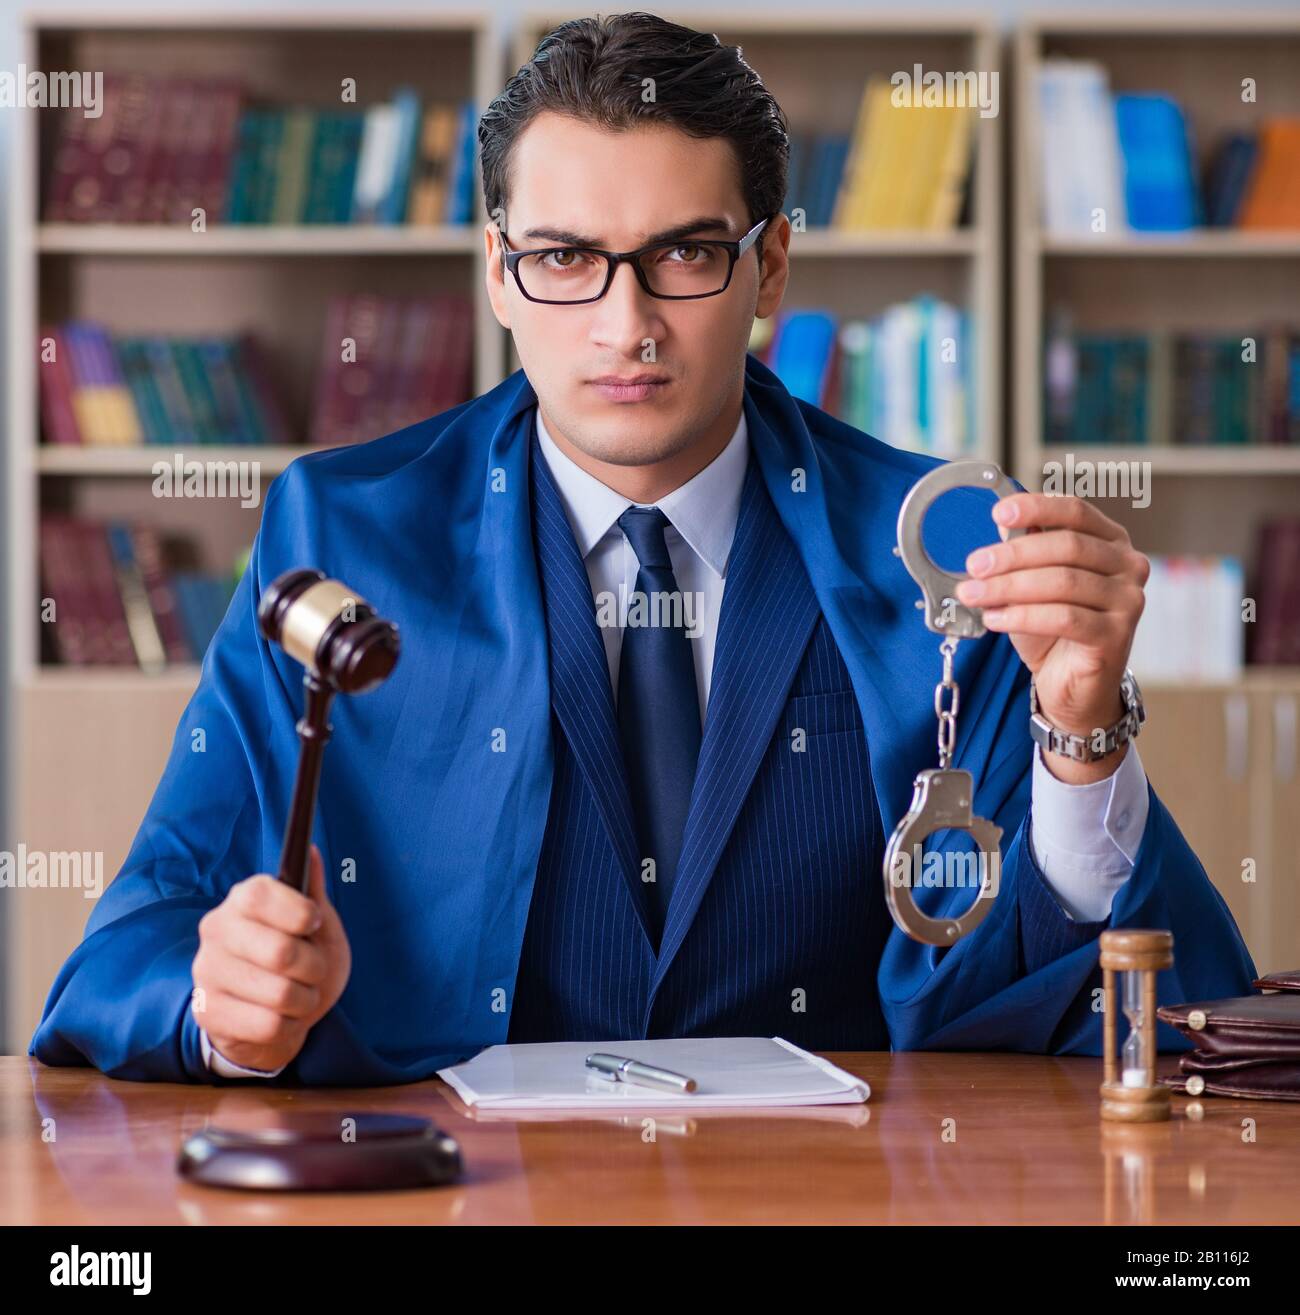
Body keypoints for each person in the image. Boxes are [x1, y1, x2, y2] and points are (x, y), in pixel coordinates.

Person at [31, 13, 1254, 1085]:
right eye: (564, 258)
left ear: (769, 265)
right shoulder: (342, 530)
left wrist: (1083, 737)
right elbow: (134, 944)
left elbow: (1131, 1003)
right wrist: (222, 1007)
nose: (626, 327)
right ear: (501, 275)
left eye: (684, 253)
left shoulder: (941, 550)